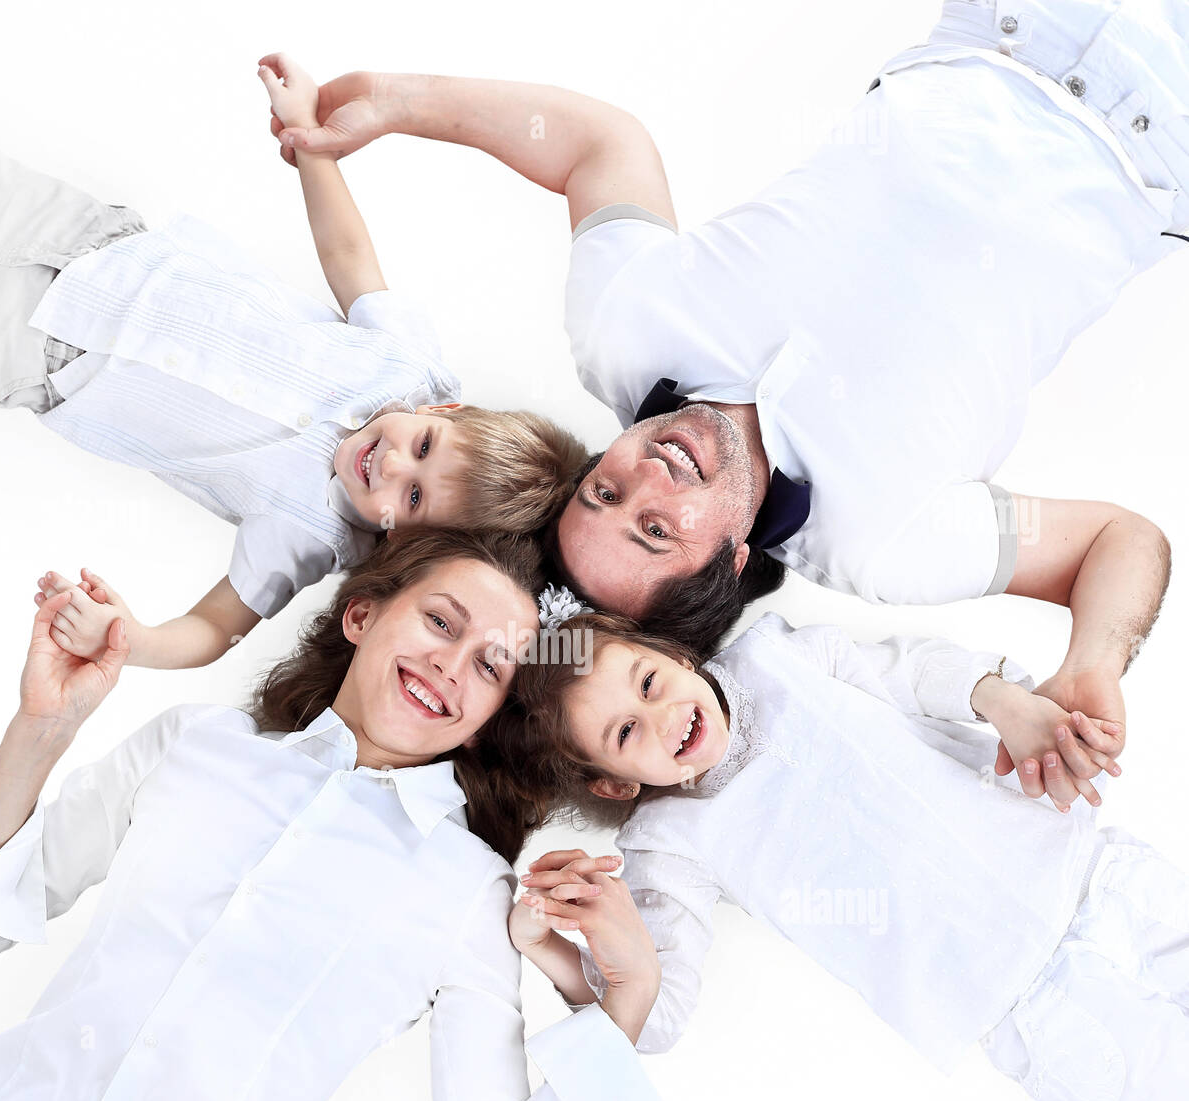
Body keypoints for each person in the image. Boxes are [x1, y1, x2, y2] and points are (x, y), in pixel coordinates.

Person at [269, 0, 1184, 798]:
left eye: (605, 492)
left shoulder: (626, 335)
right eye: (659, 529)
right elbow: (1120, 541)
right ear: (734, 558)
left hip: (1006, 31)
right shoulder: (884, 542)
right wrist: (1094, 665)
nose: (648, 476)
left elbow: (599, 145)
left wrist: (401, 104)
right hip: (1162, 138)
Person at [0, 531, 663, 1101]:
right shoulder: (194, 745)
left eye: (491, 664)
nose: (450, 664)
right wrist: (43, 725)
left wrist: (627, 1001)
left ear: (491, 715)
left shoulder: (467, 893)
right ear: (361, 614)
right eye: (440, 621)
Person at [493, 601, 1189, 1101]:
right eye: (625, 735)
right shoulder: (672, 845)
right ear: (615, 785)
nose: (663, 717)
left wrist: (1004, 702)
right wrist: (552, 947)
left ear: (675, 654)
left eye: (650, 683)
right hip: (1035, 1010)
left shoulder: (777, 656)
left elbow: (914, 673)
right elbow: (656, 1013)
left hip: (1102, 879)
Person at [0, 66, 587, 670]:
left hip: (35, 358)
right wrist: (311, 141)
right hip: (99, 246)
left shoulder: (314, 536)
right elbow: (349, 257)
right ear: (443, 413)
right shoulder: (407, 367)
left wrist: (132, 638)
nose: (393, 464)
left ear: (405, 539)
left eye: (411, 499)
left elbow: (217, 627)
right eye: (425, 447)